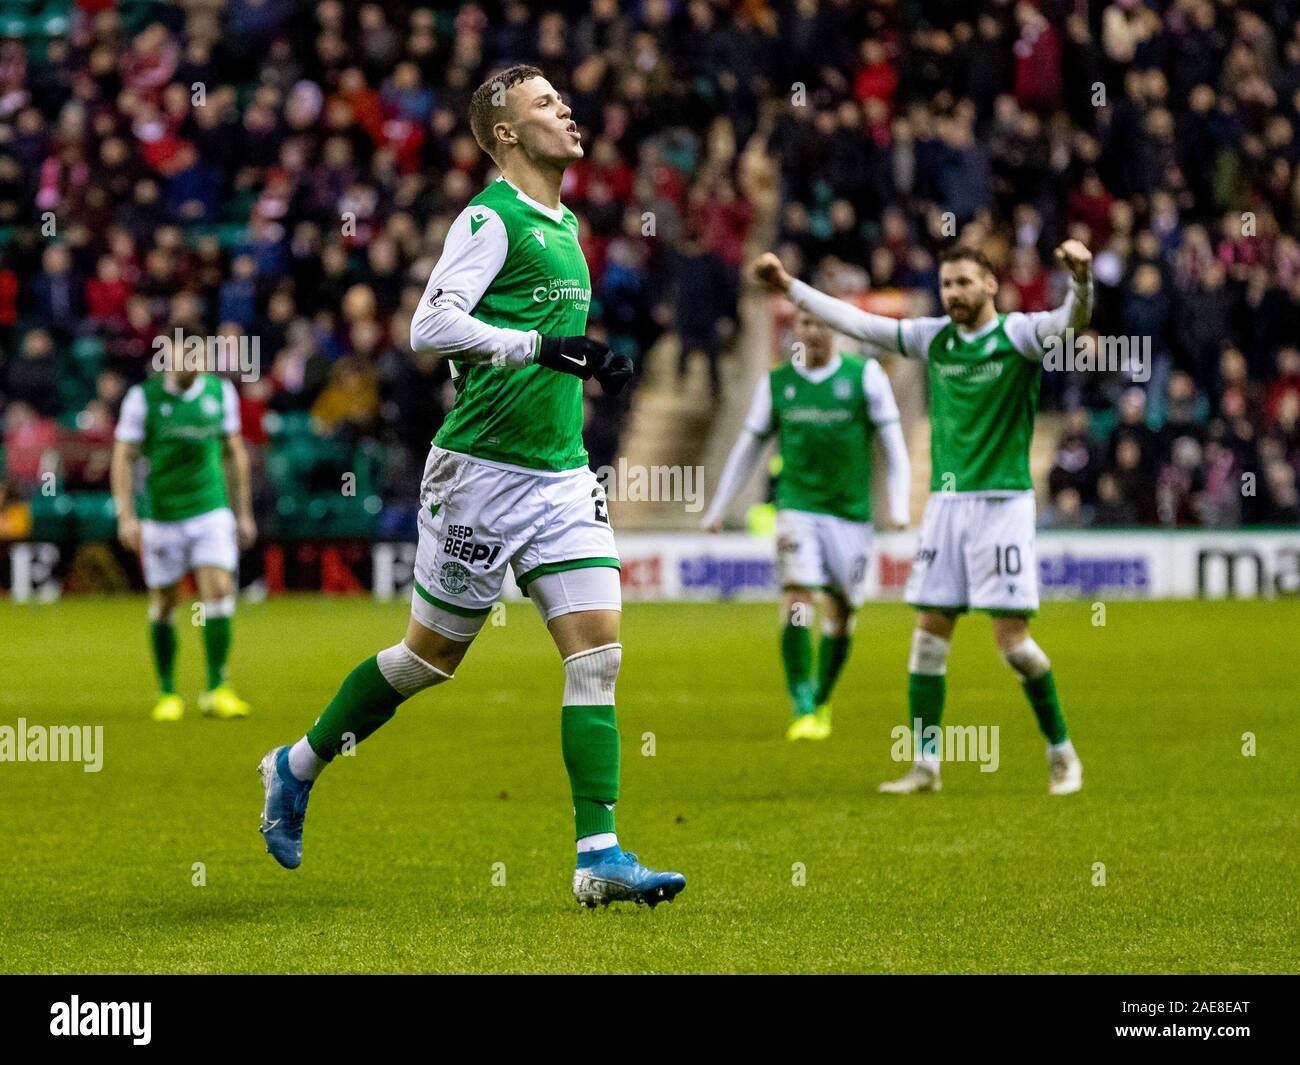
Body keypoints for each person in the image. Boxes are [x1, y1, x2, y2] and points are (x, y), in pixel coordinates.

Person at [257, 65, 685, 909]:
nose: (565, 106)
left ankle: (597, 854)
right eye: (542, 103)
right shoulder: (491, 217)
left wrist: (582, 358)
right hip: (479, 475)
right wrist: (545, 348)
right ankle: (295, 764)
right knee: (429, 659)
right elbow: (430, 325)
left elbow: (534, 338)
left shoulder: (566, 222)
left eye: (563, 96)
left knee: (598, 653)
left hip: (560, 475)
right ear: (505, 135)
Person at [750, 241, 1093, 795]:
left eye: (963, 282)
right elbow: (859, 323)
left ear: (990, 286)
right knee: (928, 638)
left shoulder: (1020, 336)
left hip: (1002, 505)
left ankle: (1061, 752)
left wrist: (1080, 280)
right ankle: (926, 767)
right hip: (946, 507)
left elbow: (1071, 322)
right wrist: (789, 286)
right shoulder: (936, 339)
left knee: (1014, 645)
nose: (953, 293)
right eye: (946, 283)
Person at [702, 308, 910, 739]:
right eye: (805, 323)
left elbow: (893, 445)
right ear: (795, 329)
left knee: (842, 613)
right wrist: (719, 506)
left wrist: (899, 506)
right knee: (798, 602)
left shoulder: (865, 377)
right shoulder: (778, 383)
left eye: (822, 323)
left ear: (836, 329)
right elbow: (748, 445)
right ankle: (800, 703)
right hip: (798, 508)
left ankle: (821, 698)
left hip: (851, 515)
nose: (813, 331)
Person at [111, 364, 256, 721]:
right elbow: (123, 457)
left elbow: (234, 453)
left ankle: (217, 688)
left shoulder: (220, 393)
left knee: (219, 589)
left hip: (210, 510)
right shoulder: (142, 398)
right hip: (161, 516)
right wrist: (126, 516)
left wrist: (243, 512)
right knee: (164, 602)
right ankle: (167, 691)